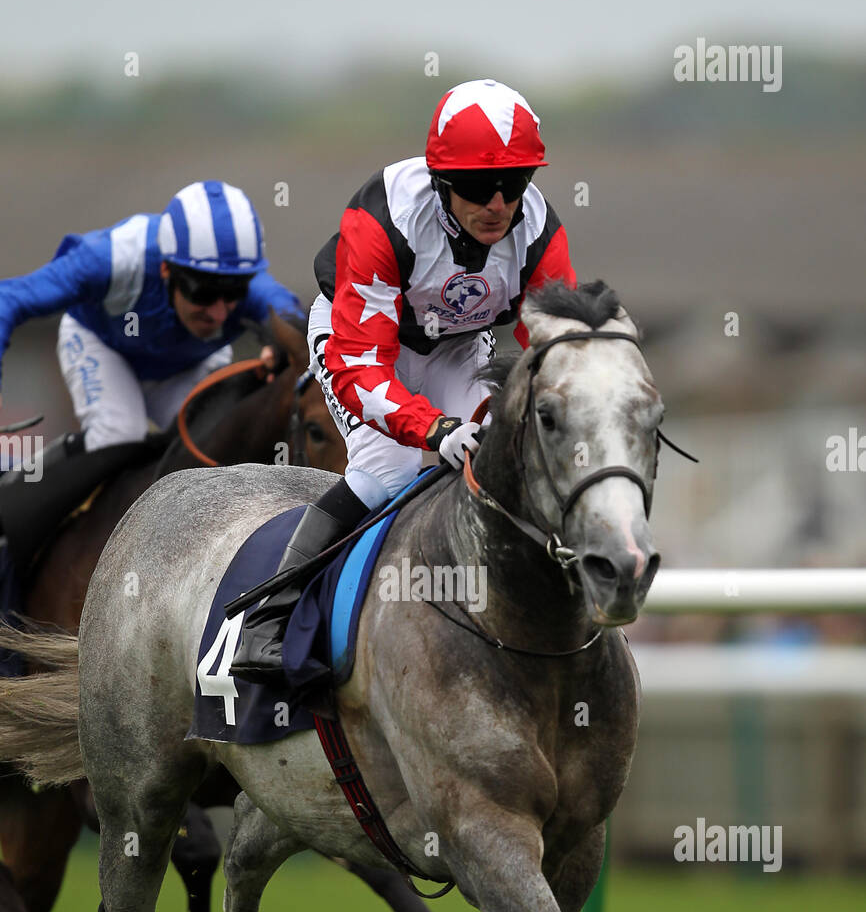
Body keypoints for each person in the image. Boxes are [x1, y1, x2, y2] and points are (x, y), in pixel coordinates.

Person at [230, 78, 577, 683]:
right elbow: (362, 363)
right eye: (476, 187)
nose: (497, 203)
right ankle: (268, 614)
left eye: (515, 183)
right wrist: (431, 426)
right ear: (442, 182)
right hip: (359, 344)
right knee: (388, 471)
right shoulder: (383, 215)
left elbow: (549, 352)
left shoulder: (540, 230)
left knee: (505, 457)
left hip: (458, 345)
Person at [0, 180, 307, 456]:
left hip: (184, 365)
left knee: (214, 444)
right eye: (203, 291)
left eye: (234, 291)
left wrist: (278, 344)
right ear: (165, 270)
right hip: (102, 344)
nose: (218, 312)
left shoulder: (257, 290)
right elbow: (8, 299)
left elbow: (297, 325)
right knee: (120, 433)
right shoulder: (106, 259)